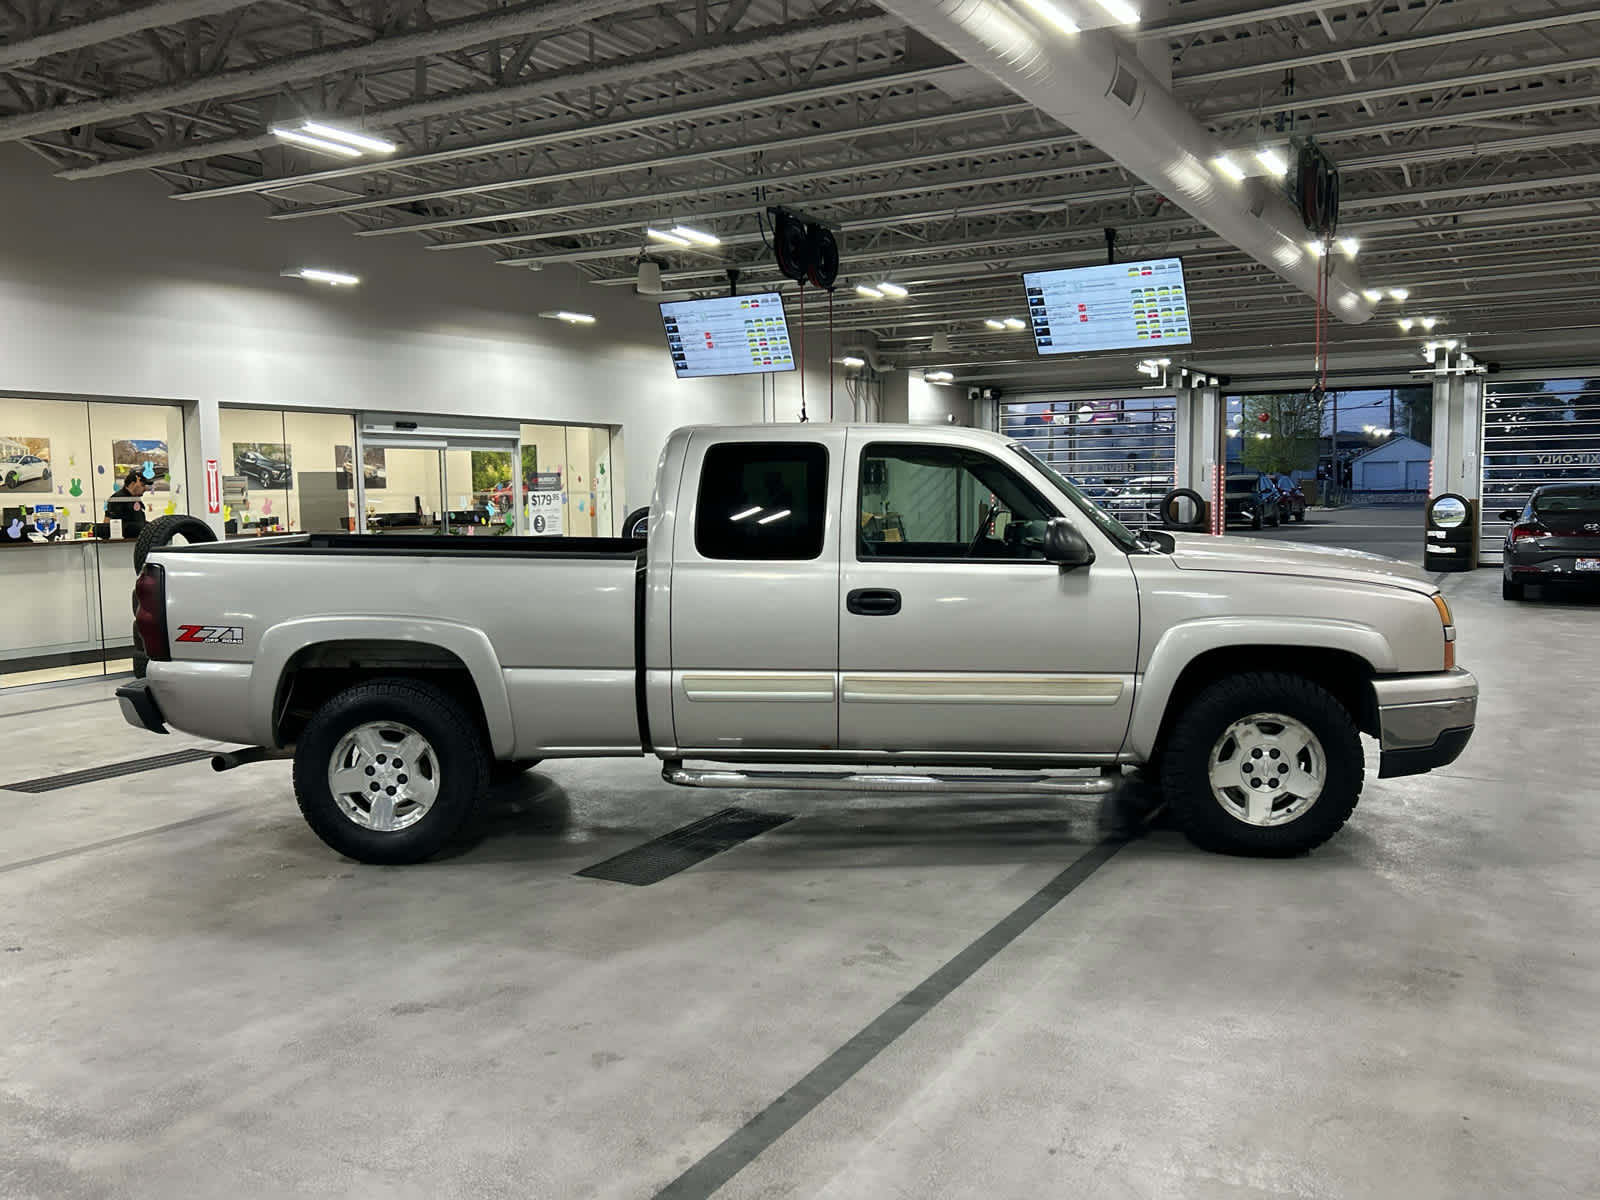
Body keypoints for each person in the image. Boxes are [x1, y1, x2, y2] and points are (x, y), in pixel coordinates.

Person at [105, 469, 149, 537]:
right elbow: (108, 524)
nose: (145, 489)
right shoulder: (118, 499)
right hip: (124, 543)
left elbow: (139, 521)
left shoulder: (135, 499)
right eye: (142, 485)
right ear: (132, 484)